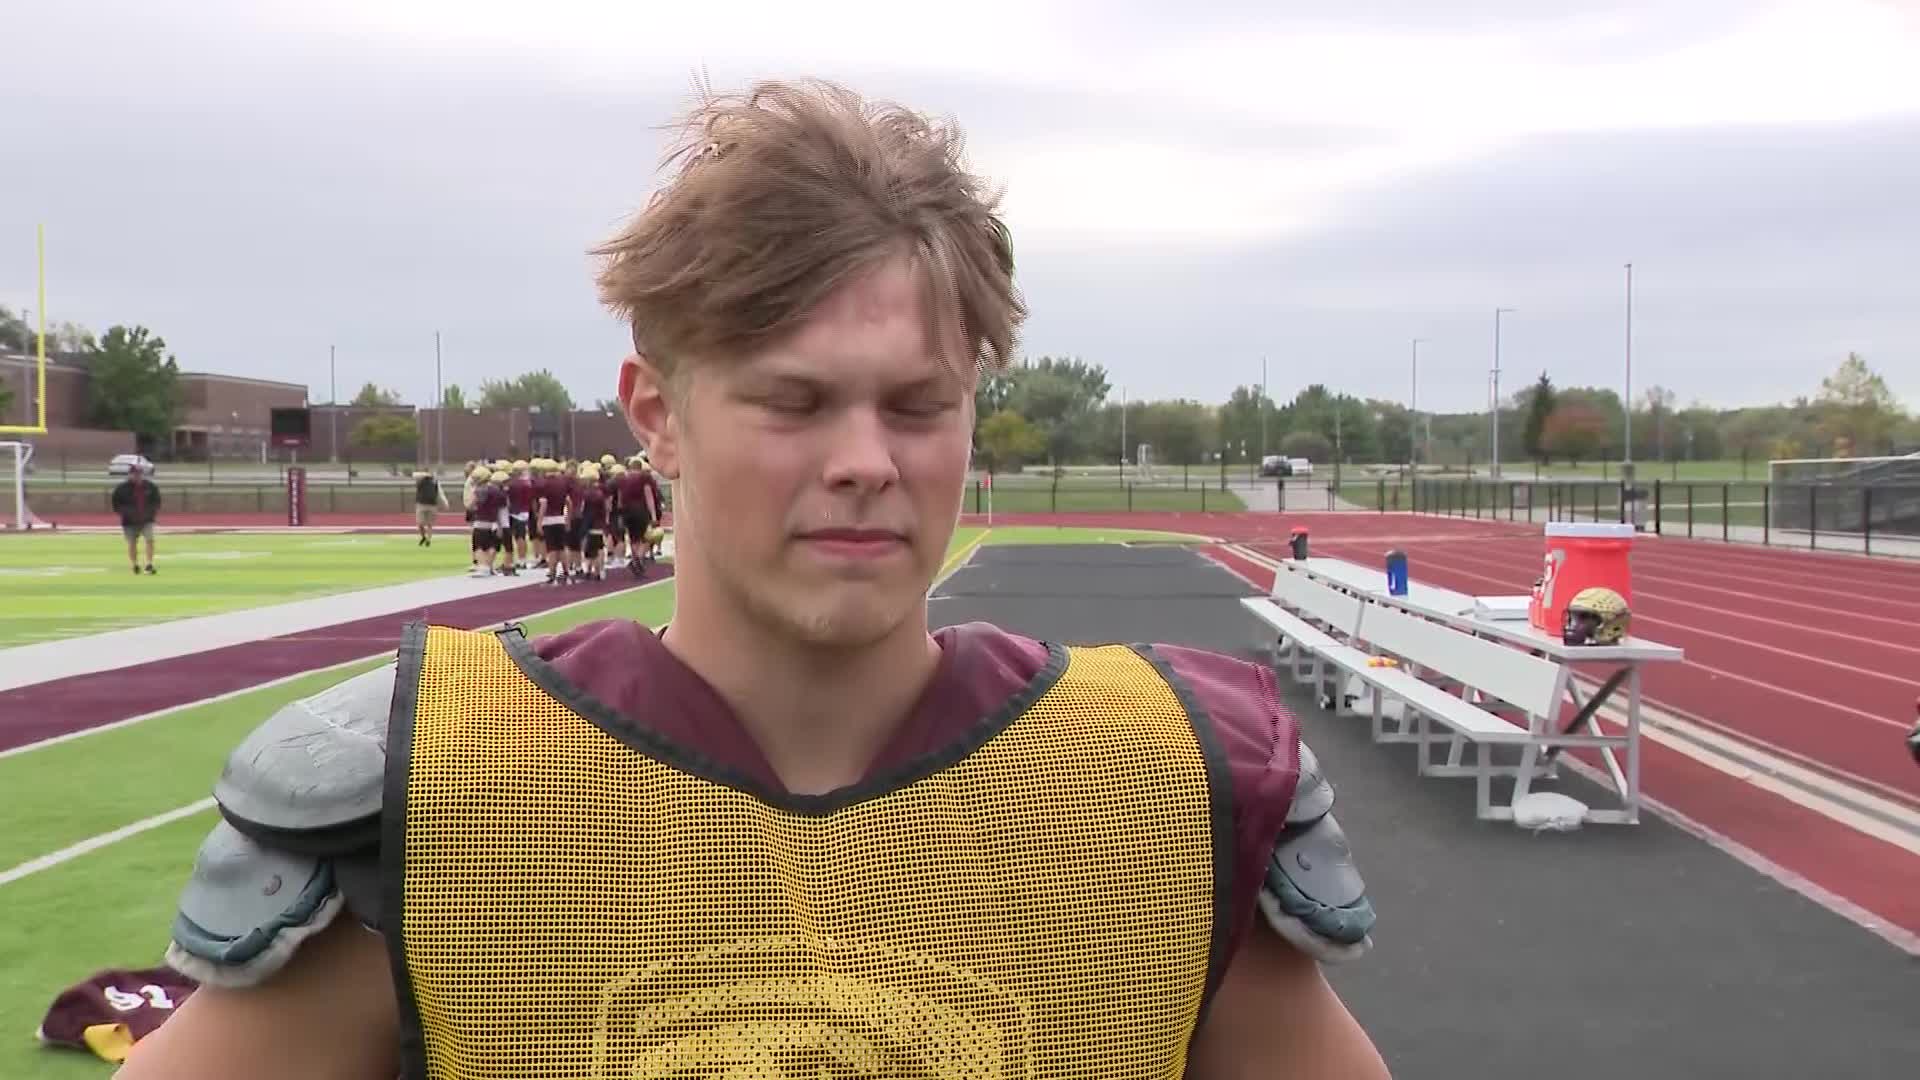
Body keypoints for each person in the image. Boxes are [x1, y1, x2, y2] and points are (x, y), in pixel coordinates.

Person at [127, 78, 1386, 1079]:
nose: (864, 463)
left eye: (917, 404)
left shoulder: (1155, 789)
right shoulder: (445, 794)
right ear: (656, 416)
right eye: (794, 401)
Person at [110, 461, 160, 575]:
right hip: (129, 521)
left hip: (147, 520)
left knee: (150, 540)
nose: (137, 476)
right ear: (130, 474)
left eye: (139, 473)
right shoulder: (122, 489)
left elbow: (156, 502)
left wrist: (150, 513)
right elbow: (116, 504)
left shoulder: (150, 487)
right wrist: (128, 513)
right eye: (135, 474)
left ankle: (149, 564)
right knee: (132, 543)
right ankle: (135, 564)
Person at [410, 469, 447, 547]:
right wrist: (426, 474)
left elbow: (440, 493)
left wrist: (445, 502)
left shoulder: (435, 481)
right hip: (421, 504)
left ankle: (428, 540)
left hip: (432, 505)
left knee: (430, 524)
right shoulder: (420, 480)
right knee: (420, 523)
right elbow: (414, 474)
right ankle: (423, 537)